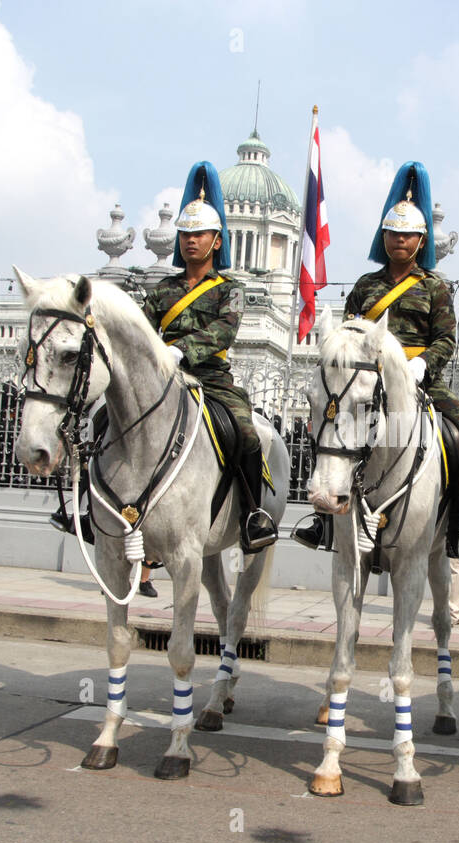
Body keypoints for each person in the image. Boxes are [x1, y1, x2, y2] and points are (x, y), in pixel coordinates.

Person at [292, 161, 459, 564]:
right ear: (383, 237)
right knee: (331, 428)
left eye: (408, 235)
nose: (399, 240)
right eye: (393, 233)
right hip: (363, 384)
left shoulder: (435, 287)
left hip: (417, 380)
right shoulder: (366, 287)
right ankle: (323, 517)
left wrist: (422, 366)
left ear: (421, 240)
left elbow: (446, 339)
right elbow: (346, 336)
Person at [141, 161, 277, 554]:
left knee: (247, 436)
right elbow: (145, 327)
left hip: (211, 379)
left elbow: (224, 330)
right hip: (162, 377)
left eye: (199, 234)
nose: (190, 241)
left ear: (216, 241)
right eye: (185, 234)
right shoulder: (162, 289)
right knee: (105, 420)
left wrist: (180, 348)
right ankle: (95, 510)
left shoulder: (228, 289)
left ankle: (253, 515)